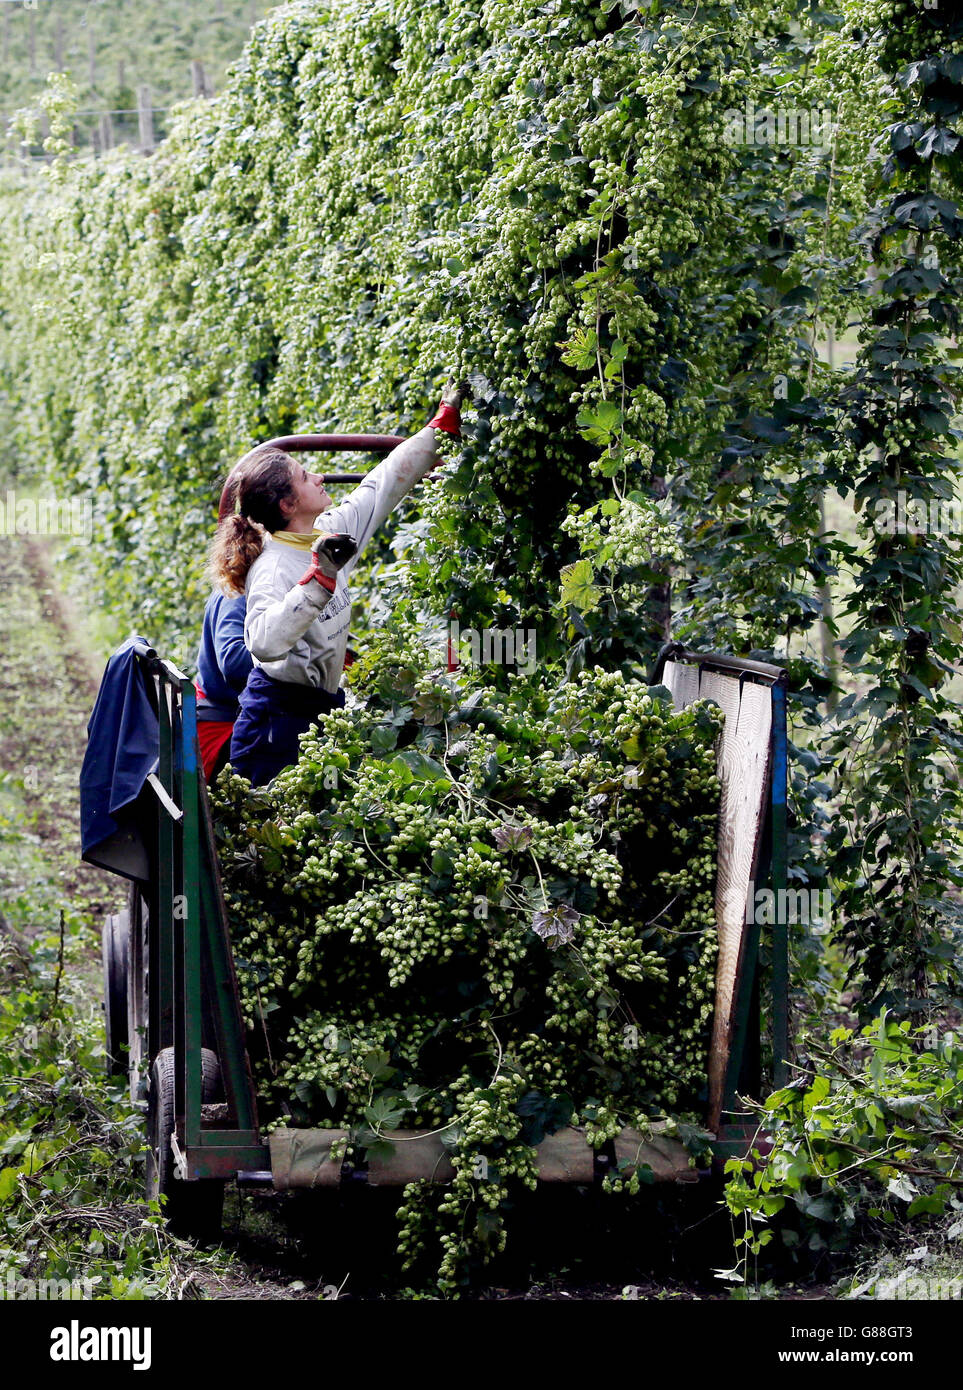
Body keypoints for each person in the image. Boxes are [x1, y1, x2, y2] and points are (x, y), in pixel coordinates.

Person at [206, 380, 468, 786]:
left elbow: (381, 486)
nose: (320, 475)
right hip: (274, 725)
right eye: (305, 475)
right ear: (287, 505)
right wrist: (319, 581)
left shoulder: (329, 532)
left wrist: (440, 425)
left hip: (319, 709)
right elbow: (261, 642)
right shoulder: (273, 568)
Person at [194, 591, 252, 782]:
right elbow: (233, 661)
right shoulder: (236, 595)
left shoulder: (238, 589)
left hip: (222, 712)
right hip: (223, 725)